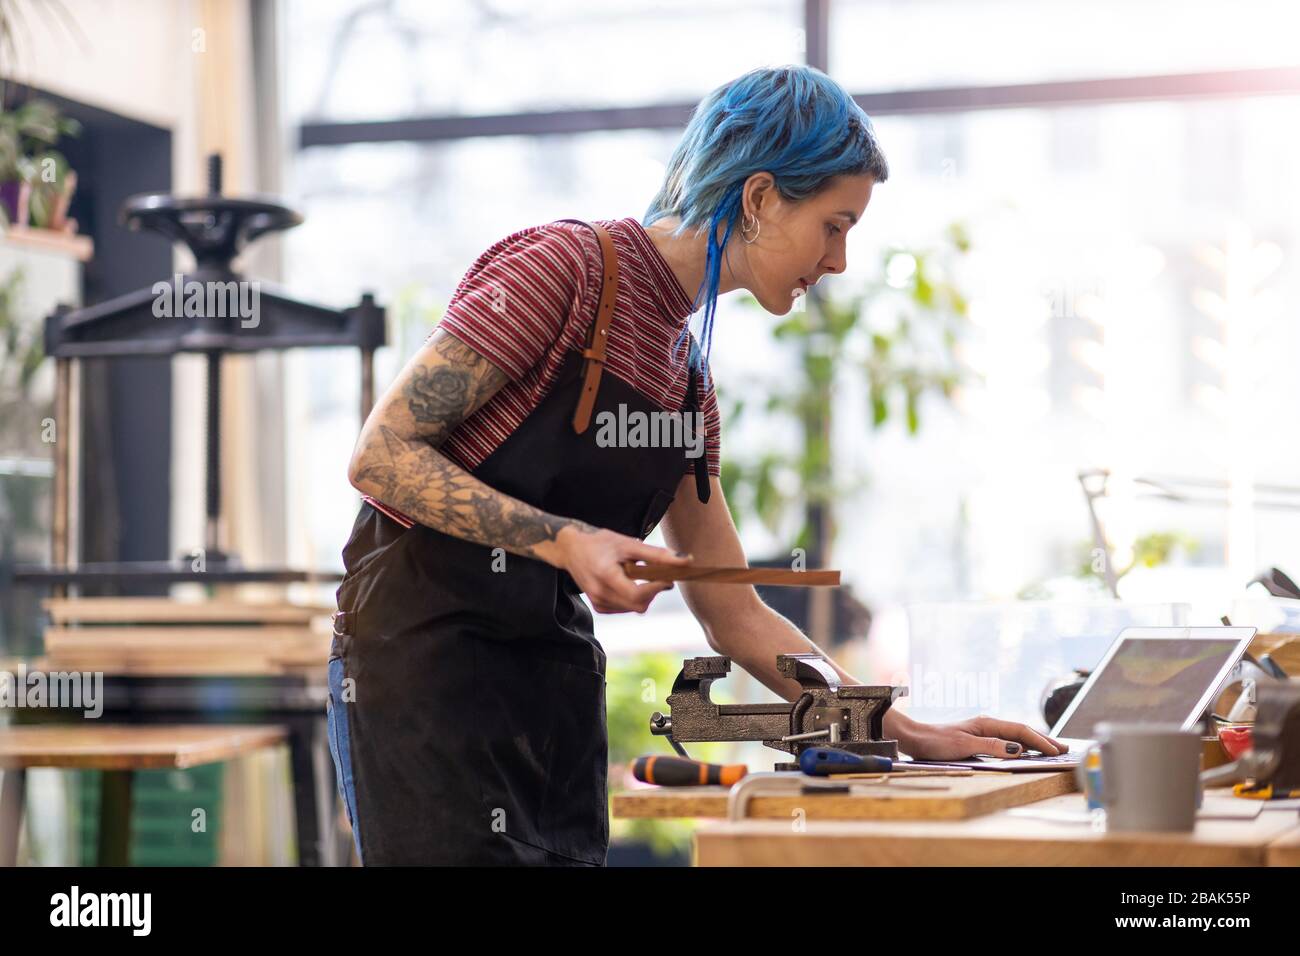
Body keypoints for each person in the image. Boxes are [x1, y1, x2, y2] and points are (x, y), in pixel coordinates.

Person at [326, 64, 1065, 867]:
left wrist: (903, 729)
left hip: (548, 695)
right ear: (759, 199)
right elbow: (380, 455)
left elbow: (735, 613)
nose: (841, 260)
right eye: (834, 224)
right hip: (423, 677)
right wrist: (566, 540)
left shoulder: (687, 380)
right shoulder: (561, 273)